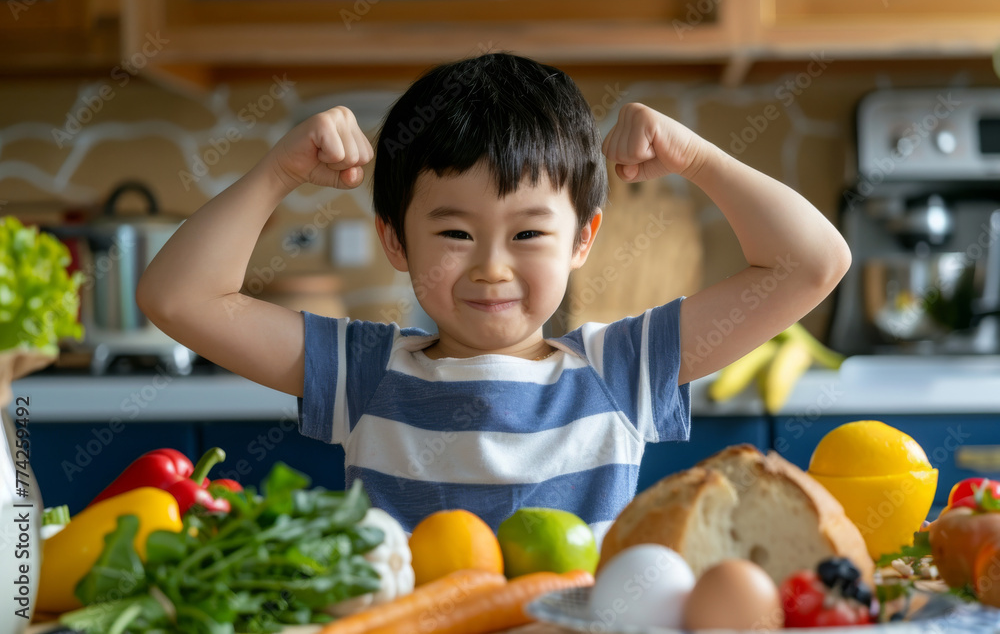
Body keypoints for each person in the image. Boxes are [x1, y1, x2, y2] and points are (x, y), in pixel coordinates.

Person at [137, 52, 850, 543]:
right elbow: (178, 298)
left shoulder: (621, 365)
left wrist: (697, 157)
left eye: (530, 232)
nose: (491, 268)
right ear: (395, 241)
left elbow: (812, 263)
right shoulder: (364, 371)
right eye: (453, 230)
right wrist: (277, 171)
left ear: (582, 239)